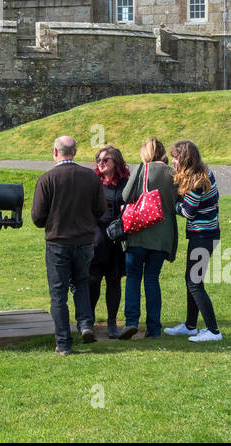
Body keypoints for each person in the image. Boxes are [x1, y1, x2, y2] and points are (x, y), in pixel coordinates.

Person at [31, 135, 102, 354]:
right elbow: (100, 209)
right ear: (76, 152)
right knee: (80, 283)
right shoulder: (90, 177)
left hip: (57, 242)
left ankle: (63, 343)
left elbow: (37, 217)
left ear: (55, 152)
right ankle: (85, 324)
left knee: (58, 294)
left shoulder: (47, 179)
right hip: (84, 241)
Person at [117, 138, 178, 339]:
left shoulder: (142, 169)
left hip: (139, 233)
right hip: (162, 236)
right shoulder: (173, 173)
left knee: (133, 277)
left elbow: (126, 196)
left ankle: (131, 322)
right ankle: (154, 328)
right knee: (152, 279)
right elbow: (179, 200)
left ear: (145, 152)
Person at [165, 139, 222, 342]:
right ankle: (190, 326)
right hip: (206, 234)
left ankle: (213, 331)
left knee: (194, 283)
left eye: (175, 157)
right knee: (191, 281)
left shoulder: (196, 181)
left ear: (185, 159)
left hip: (203, 236)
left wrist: (171, 205)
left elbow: (188, 211)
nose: (173, 161)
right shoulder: (204, 173)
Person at [90, 145, 130, 338]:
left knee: (113, 281)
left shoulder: (125, 184)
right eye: (98, 159)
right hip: (96, 238)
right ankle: (88, 319)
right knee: (93, 279)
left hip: (116, 240)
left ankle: (112, 322)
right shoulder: (93, 182)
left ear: (116, 162)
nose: (101, 162)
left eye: (105, 159)